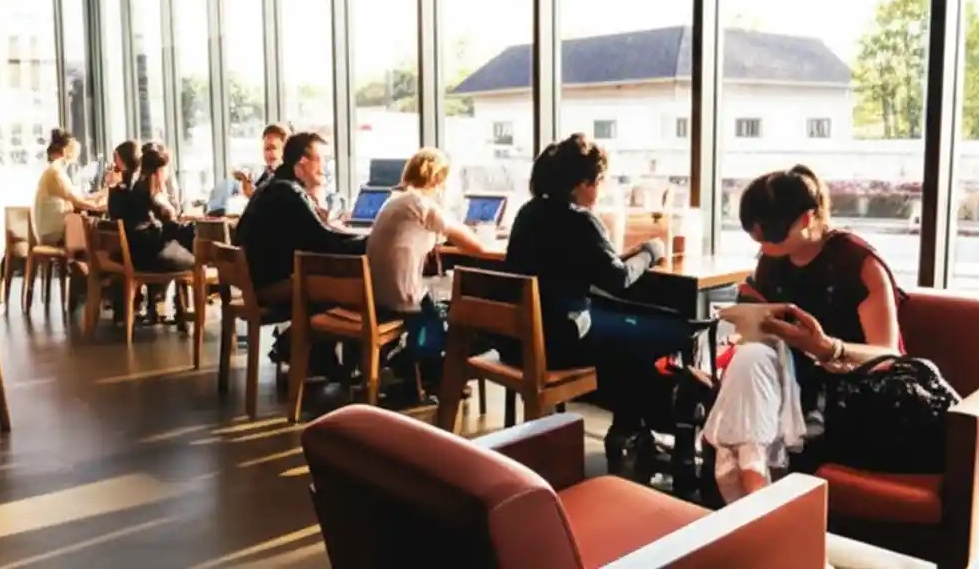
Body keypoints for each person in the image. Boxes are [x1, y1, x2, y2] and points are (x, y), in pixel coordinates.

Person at [702, 165, 904, 503]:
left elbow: (889, 355)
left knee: (747, 377)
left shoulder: (857, 263)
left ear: (809, 217)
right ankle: (760, 507)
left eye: (773, 234)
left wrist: (828, 347)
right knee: (750, 358)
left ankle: (748, 508)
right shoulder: (771, 261)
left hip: (848, 390)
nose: (764, 244)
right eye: (755, 235)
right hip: (786, 382)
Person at [504, 133, 679, 455]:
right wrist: (653, 251)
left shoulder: (529, 212)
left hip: (519, 339)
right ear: (583, 183)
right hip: (558, 342)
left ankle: (633, 427)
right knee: (665, 331)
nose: (600, 189)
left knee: (629, 330)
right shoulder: (579, 220)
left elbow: (586, 265)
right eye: (600, 181)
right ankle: (630, 427)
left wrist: (624, 256)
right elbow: (618, 279)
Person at [367, 149, 490, 381]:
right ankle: (413, 365)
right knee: (462, 322)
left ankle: (417, 367)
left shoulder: (394, 201)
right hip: (402, 297)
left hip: (376, 294)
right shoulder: (422, 204)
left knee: (438, 308)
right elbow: (476, 247)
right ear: (437, 179)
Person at [235, 132, 365, 307]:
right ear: (303, 162)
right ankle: (315, 333)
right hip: (271, 288)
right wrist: (371, 242)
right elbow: (326, 244)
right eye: (321, 160)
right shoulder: (288, 192)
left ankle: (303, 333)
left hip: (257, 283)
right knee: (350, 287)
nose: (324, 168)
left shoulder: (273, 186)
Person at [113, 143, 196, 273]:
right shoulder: (150, 196)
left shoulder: (135, 190)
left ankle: (162, 294)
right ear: (159, 171)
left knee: (184, 243)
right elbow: (162, 229)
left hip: (138, 254)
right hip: (148, 257)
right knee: (196, 258)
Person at [34, 129, 104, 246]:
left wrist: (101, 196)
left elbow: (77, 197)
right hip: (52, 231)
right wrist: (99, 206)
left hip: (51, 227)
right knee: (94, 231)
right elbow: (77, 201)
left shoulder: (56, 171)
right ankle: (84, 261)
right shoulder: (55, 172)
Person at [233, 123, 289, 200]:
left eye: (273, 148)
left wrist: (254, 196)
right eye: (266, 149)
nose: (268, 153)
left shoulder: (291, 177)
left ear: (285, 149)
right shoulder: (267, 174)